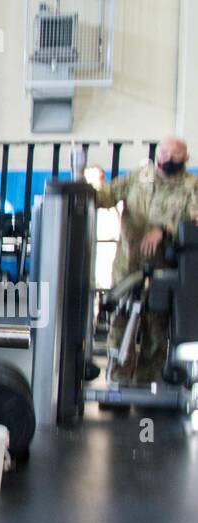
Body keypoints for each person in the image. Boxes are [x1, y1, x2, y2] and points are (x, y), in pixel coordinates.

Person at [93, 137, 198, 384]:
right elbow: (106, 197)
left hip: (165, 269)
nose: (167, 158)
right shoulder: (140, 177)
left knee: (156, 330)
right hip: (128, 264)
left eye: (174, 154)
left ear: (185, 158)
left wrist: (164, 229)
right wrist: (87, 183)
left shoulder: (191, 186)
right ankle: (117, 380)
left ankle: (147, 384)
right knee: (120, 324)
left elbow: (195, 221)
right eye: (163, 152)